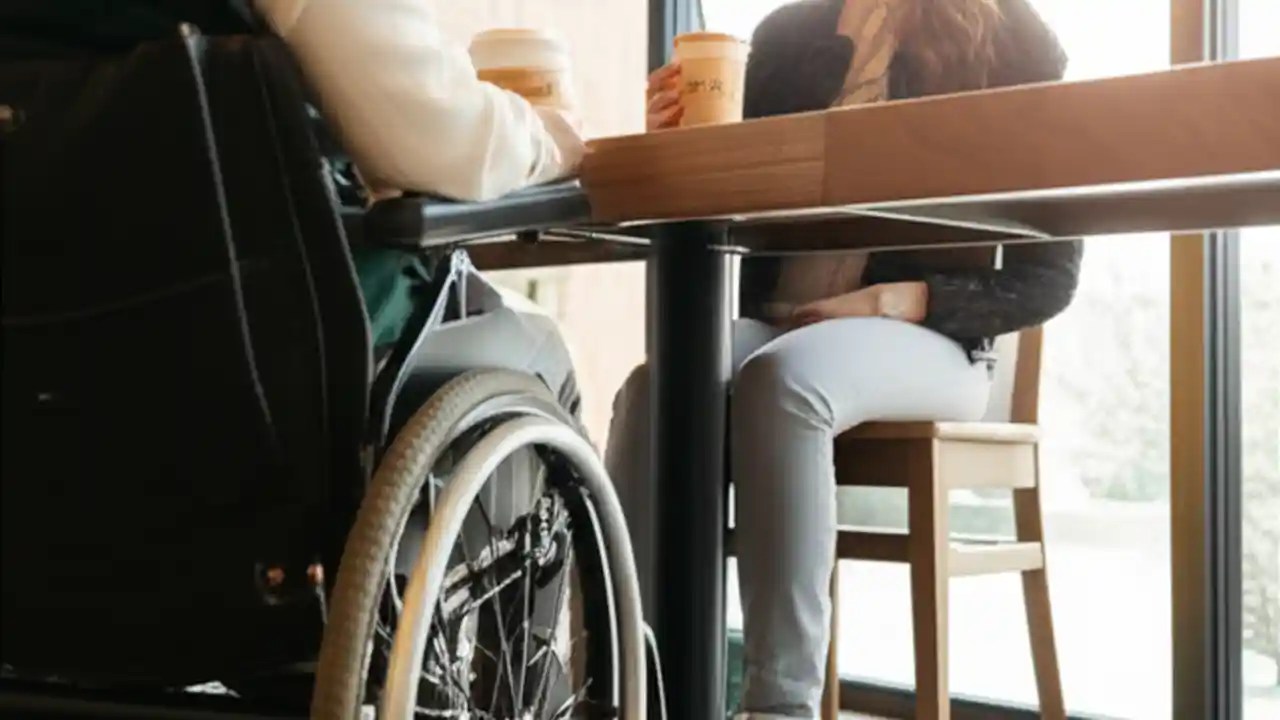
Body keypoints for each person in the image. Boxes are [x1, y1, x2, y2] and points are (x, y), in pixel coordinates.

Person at [609, 1, 1082, 718]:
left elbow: (1051, 276)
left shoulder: (1016, 39)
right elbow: (727, 198)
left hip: (936, 343)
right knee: (657, 387)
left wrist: (891, 300)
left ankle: (779, 706)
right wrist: (677, 143)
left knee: (784, 382)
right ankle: (622, 681)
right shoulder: (786, 35)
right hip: (781, 327)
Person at [1, 0, 586, 371]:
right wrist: (552, 142)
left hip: (38, 342)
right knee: (537, 354)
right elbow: (432, 135)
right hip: (237, 334)